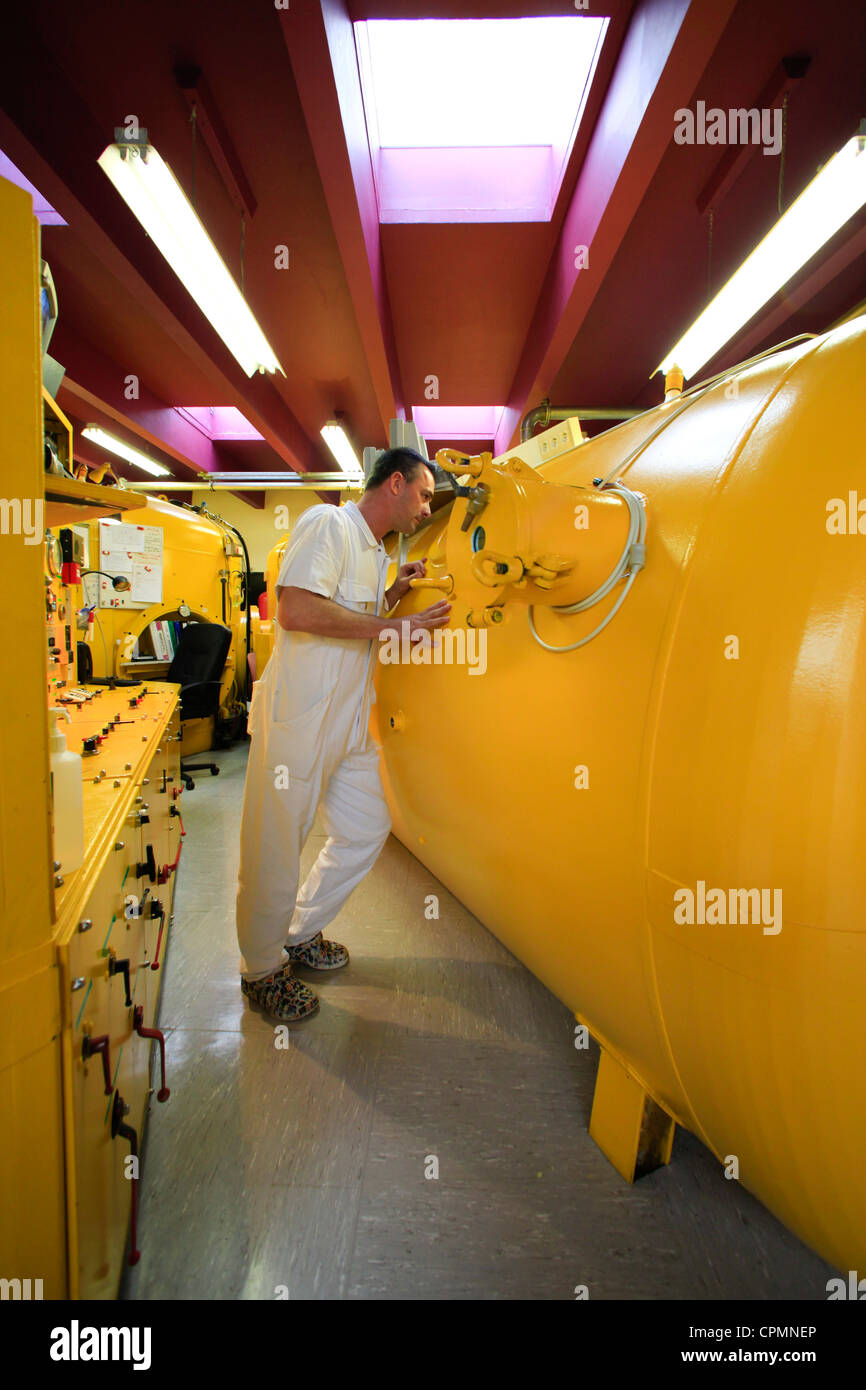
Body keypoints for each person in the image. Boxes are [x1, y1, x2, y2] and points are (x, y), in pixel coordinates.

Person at [235, 447, 451, 1021]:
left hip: (349, 723)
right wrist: (394, 624)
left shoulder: (372, 551)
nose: (427, 509)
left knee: (366, 826)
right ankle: (260, 970)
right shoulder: (328, 523)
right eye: (426, 495)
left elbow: (350, 616)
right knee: (276, 843)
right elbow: (298, 610)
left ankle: (300, 932)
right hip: (299, 722)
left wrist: (396, 593)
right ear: (396, 483)